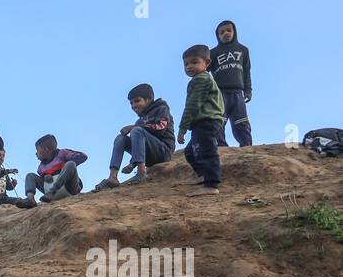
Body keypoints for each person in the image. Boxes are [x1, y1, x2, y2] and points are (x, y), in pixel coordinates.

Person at [93, 84, 175, 191]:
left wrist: (135, 127)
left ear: (148, 99)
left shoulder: (161, 109)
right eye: (131, 103)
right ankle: (112, 177)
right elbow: (139, 144)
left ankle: (141, 173)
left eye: (137, 101)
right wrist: (132, 164)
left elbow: (161, 127)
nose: (133, 105)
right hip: (149, 156)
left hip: (163, 152)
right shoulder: (140, 121)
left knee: (136, 130)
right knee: (120, 138)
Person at [178, 44, 224, 197]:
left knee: (207, 151)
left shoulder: (201, 80)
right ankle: (204, 175)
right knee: (190, 152)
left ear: (207, 63)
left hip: (206, 121)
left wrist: (182, 129)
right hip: (206, 121)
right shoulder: (202, 79)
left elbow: (192, 105)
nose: (189, 66)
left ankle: (211, 184)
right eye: (186, 64)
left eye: (194, 62)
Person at [211, 20, 253, 147]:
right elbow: (202, 70)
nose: (226, 34)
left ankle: (246, 146)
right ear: (217, 36)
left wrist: (248, 90)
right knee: (219, 121)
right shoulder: (213, 53)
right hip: (220, 94)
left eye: (229, 30)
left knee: (241, 121)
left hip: (238, 93)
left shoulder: (243, 50)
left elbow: (246, 71)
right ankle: (221, 146)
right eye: (221, 32)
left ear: (234, 31)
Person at [19, 136, 88, 206]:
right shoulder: (40, 167)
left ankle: (52, 191)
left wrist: (62, 171)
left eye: (37, 150)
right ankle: (30, 199)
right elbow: (44, 179)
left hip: (69, 188)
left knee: (71, 164)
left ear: (46, 149)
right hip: (49, 192)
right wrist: (45, 177)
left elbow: (83, 157)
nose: (36, 153)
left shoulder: (62, 153)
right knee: (30, 175)